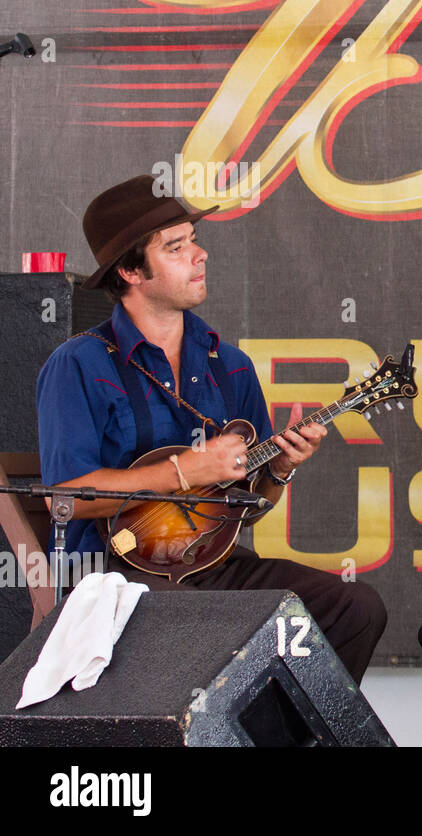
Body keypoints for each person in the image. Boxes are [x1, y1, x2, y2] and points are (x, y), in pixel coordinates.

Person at [36, 175, 387, 684]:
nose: (200, 255)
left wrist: (281, 468)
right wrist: (184, 470)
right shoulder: (78, 364)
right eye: (176, 248)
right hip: (110, 581)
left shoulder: (231, 365)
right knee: (203, 623)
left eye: (194, 241)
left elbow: (248, 510)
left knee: (355, 606)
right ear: (132, 269)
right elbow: (63, 498)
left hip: (212, 570)